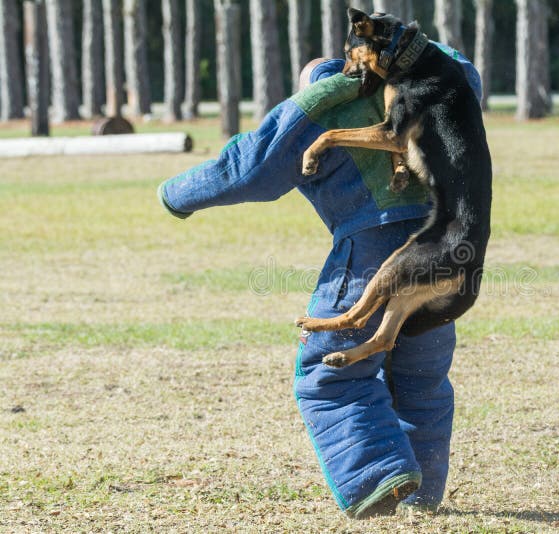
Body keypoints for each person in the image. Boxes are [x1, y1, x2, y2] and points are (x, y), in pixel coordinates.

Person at [158, 45, 482, 518]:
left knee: (327, 374)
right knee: (422, 378)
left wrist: (176, 194)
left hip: (371, 251)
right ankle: (422, 493)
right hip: (446, 251)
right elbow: (462, 66)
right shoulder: (434, 83)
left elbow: (250, 168)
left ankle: (378, 476)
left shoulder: (324, 101)